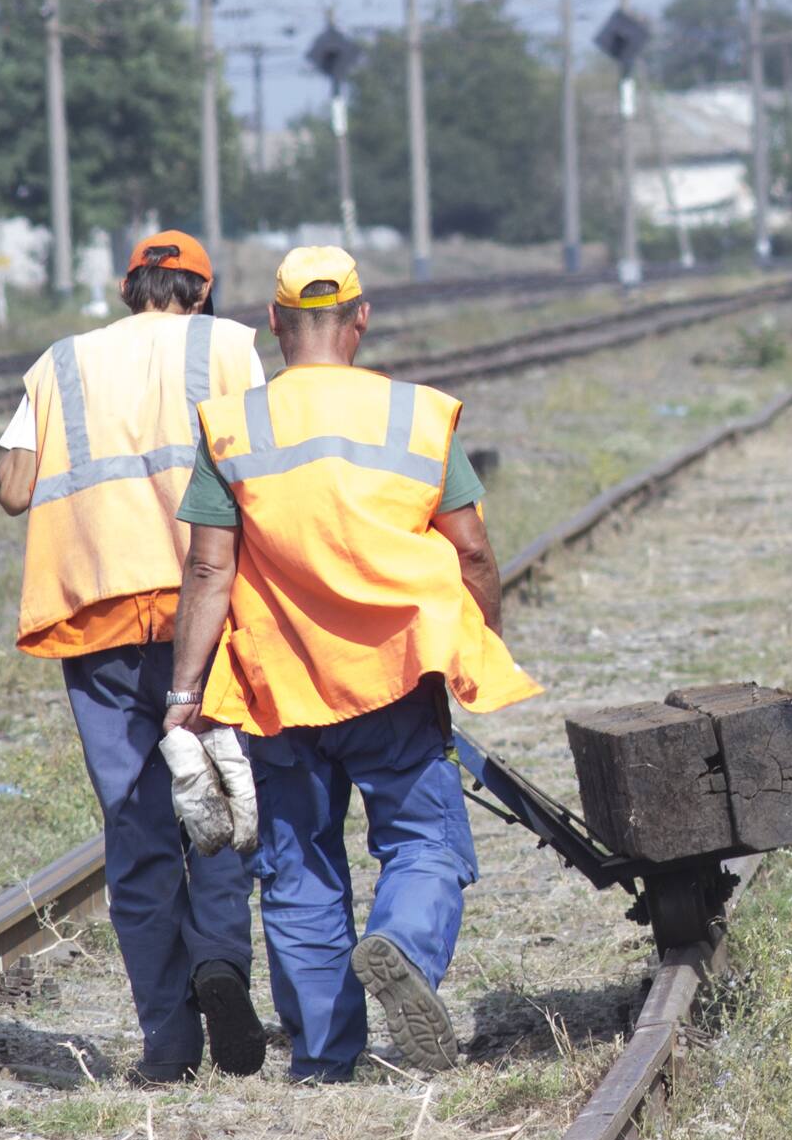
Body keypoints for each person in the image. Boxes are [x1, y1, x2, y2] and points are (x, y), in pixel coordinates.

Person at [163, 246, 541, 1080]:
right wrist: (482, 642)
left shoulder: (234, 426)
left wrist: (185, 693)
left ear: (274, 324)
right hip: (398, 678)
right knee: (424, 842)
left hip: (283, 685)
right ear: (361, 320)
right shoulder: (414, 415)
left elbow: (208, 570)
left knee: (298, 864)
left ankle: (326, 1055)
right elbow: (472, 549)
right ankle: (402, 944)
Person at [0, 230, 268, 1084]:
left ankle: (169, 1043)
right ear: (201, 292)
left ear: (130, 289)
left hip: (100, 613)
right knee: (217, 790)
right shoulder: (229, 347)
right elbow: (262, 467)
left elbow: (12, 488)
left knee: (138, 824)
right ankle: (220, 955)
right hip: (204, 608)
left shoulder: (61, 363)